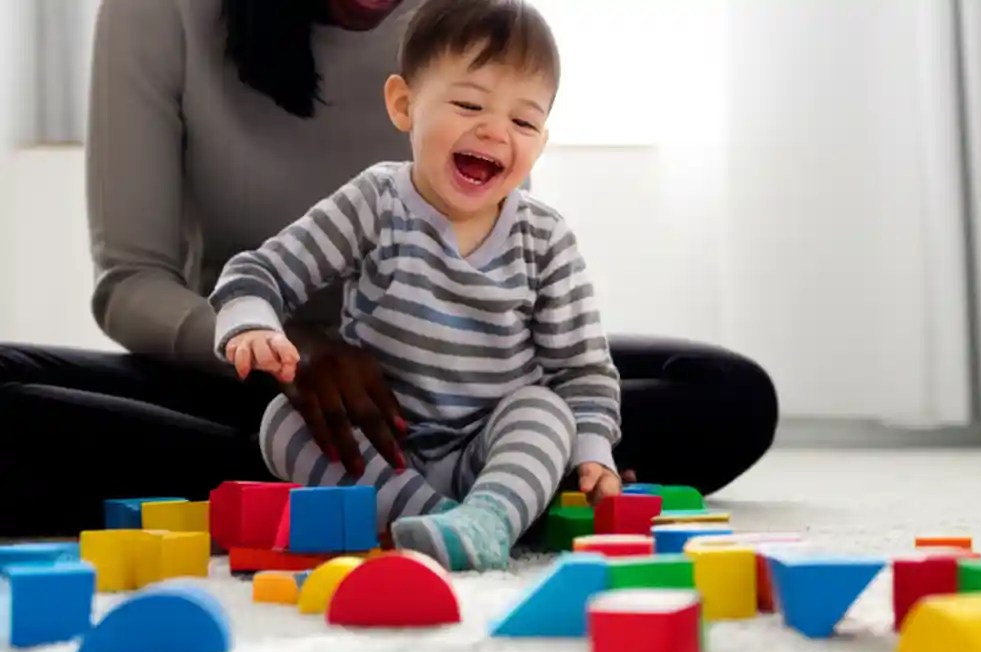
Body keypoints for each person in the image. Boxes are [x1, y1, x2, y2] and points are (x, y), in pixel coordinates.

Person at [0, 0, 778, 539]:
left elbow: (508, 275)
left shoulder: (476, 26)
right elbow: (132, 281)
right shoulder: (157, 14)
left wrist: (578, 442)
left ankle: (465, 492)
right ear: (402, 103)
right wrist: (289, 353)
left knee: (725, 394)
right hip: (249, 375)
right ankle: (356, 488)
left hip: (460, 394)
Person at [212, 0, 619, 570]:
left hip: (487, 448)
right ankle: (438, 519)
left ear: (541, 144)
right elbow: (259, 271)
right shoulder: (377, 202)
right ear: (405, 106)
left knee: (546, 411)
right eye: (469, 104)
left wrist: (594, 451)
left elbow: (581, 370)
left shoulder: (543, 237)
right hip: (384, 448)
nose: (495, 130)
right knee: (280, 425)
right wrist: (251, 323)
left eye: (523, 121)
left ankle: (487, 515)